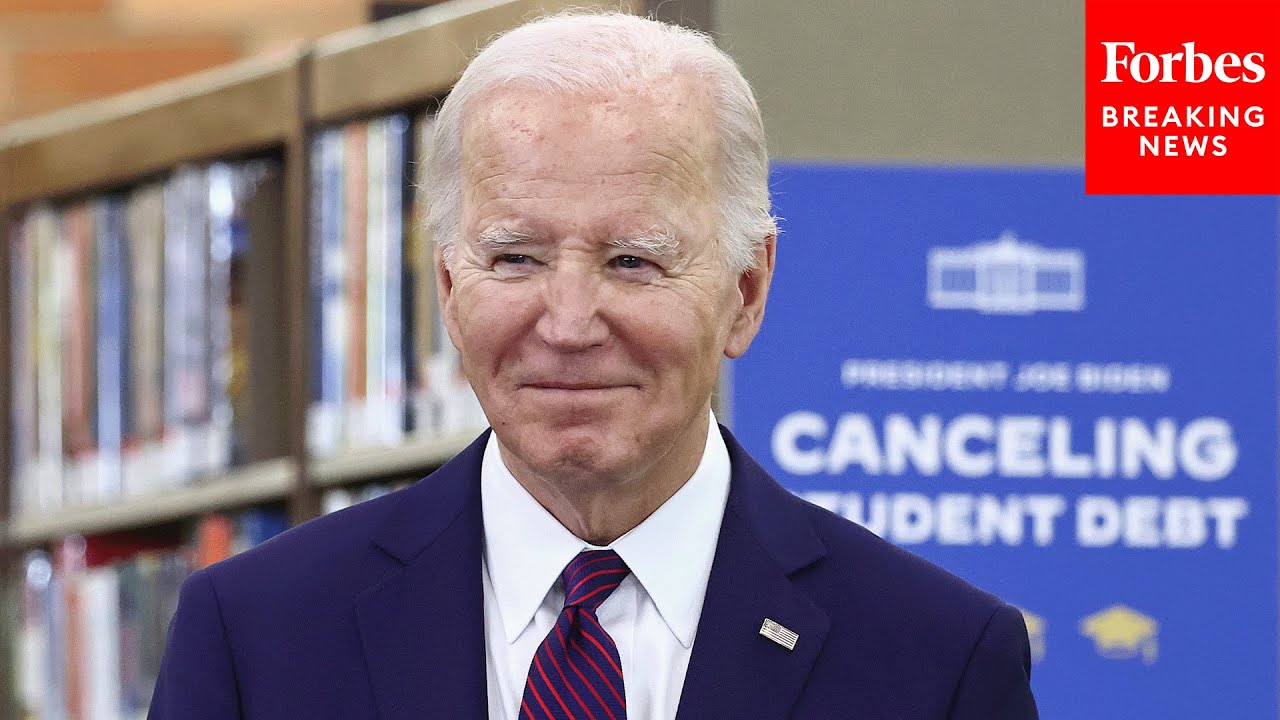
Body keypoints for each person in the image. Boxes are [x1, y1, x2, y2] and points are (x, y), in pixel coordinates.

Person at [149, 11, 1037, 720]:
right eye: (515, 259)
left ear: (748, 291)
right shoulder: (256, 637)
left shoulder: (936, 662)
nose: (568, 324)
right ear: (451, 288)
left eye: (633, 262)